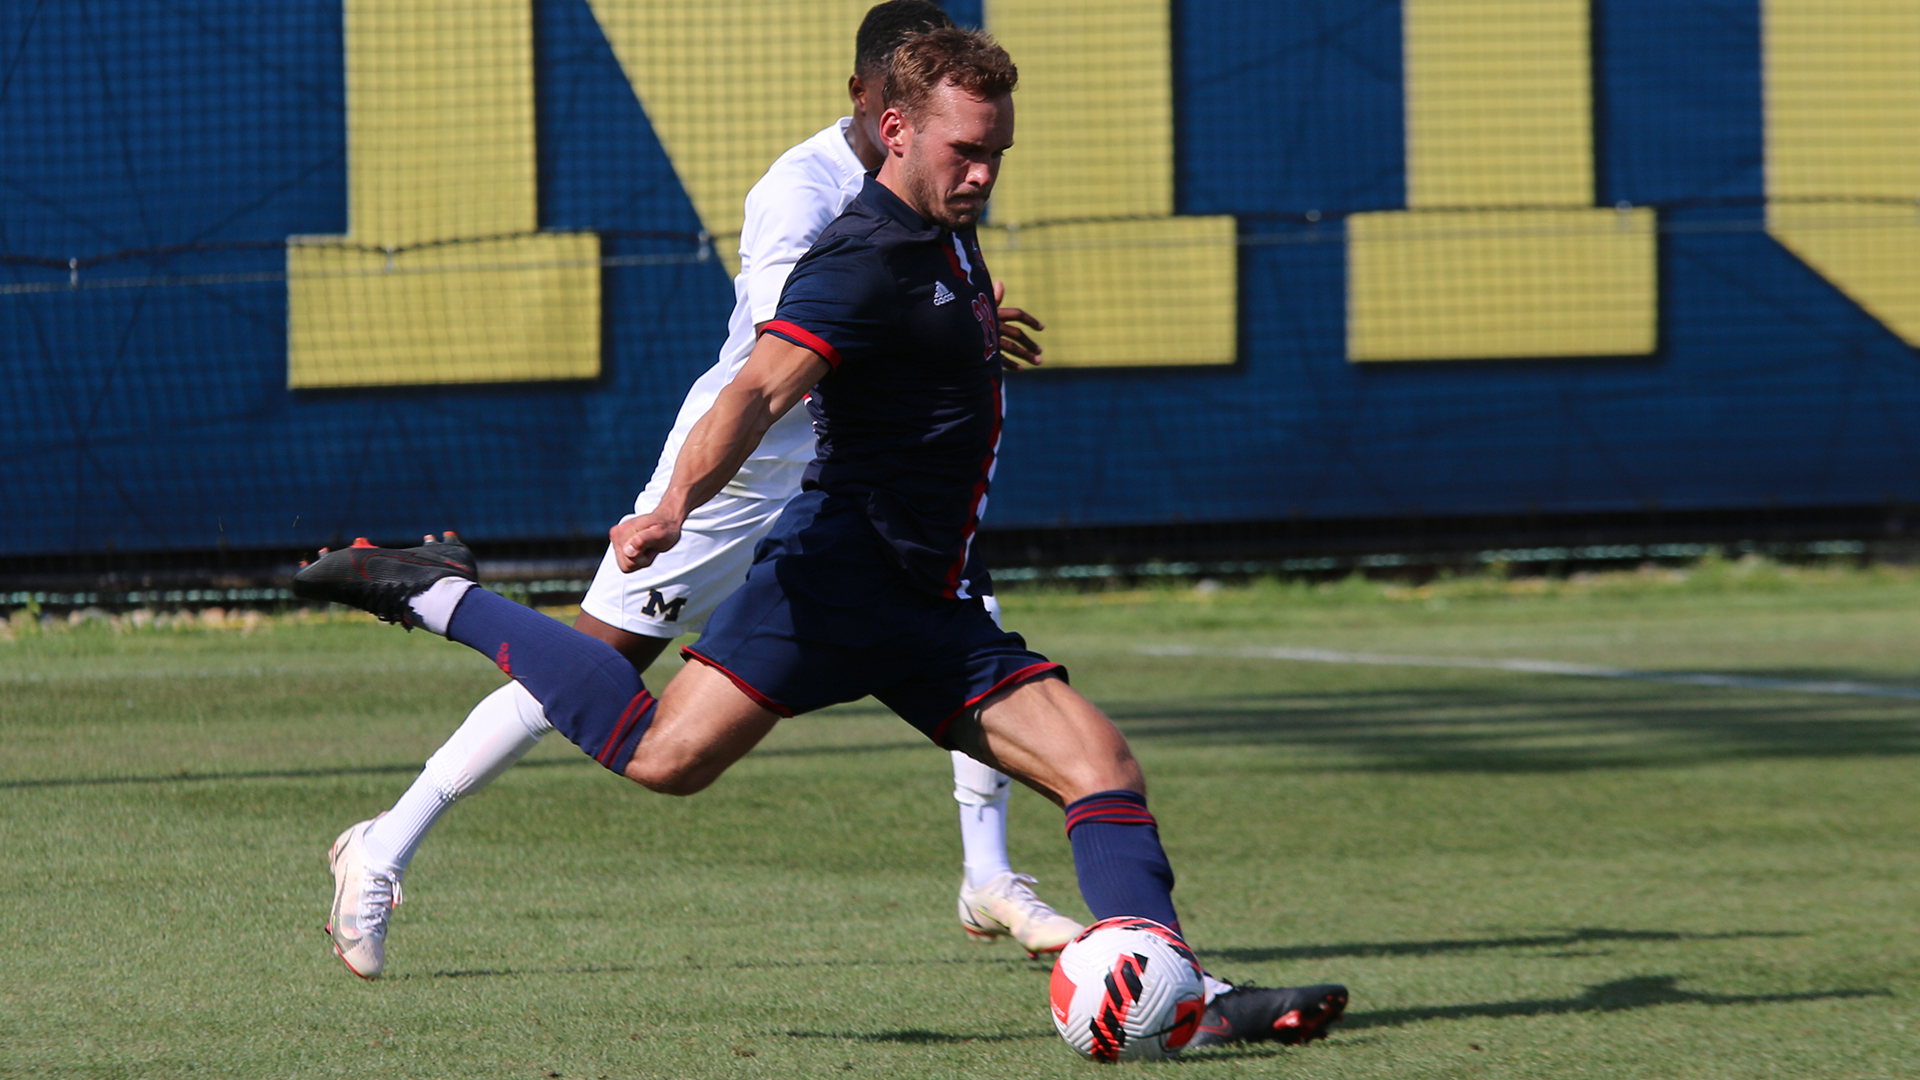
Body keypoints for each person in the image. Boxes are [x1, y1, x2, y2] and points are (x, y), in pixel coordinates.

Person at [299, 26, 1346, 1049]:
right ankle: (430, 592)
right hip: (836, 578)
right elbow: (760, 384)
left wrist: (969, 333)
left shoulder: (942, 230)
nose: (982, 173)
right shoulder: (856, 250)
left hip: (923, 599)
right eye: (963, 152)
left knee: (1101, 764)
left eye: (996, 153)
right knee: (663, 758)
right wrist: (674, 508)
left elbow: (911, 332)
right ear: (892, 128)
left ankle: (1182, 996)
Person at [319, 3, 1079, 983]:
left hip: (872, 484)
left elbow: (917, 307)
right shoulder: (799, 191)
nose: (948, 146)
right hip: (742, 470)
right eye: (901, 102)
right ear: (872, 102)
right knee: (592, 670)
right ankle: (381, 845)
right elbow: (779, 363)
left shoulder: (948, 179)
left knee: (972, 626)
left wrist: (970, 328)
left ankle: (988, 875)